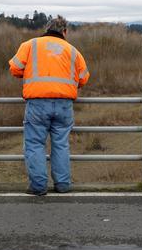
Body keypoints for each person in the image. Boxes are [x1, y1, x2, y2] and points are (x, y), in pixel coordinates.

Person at [8, 15, 89, 195]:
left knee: (35, 144)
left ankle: (38, 187)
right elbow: (83, 78)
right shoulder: (73, 51)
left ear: (47, 29)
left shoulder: (30, 45)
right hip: (64, 104)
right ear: (65, 32)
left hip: (37, 103)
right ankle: (63, 185)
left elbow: (15, 68)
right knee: (61, 144)